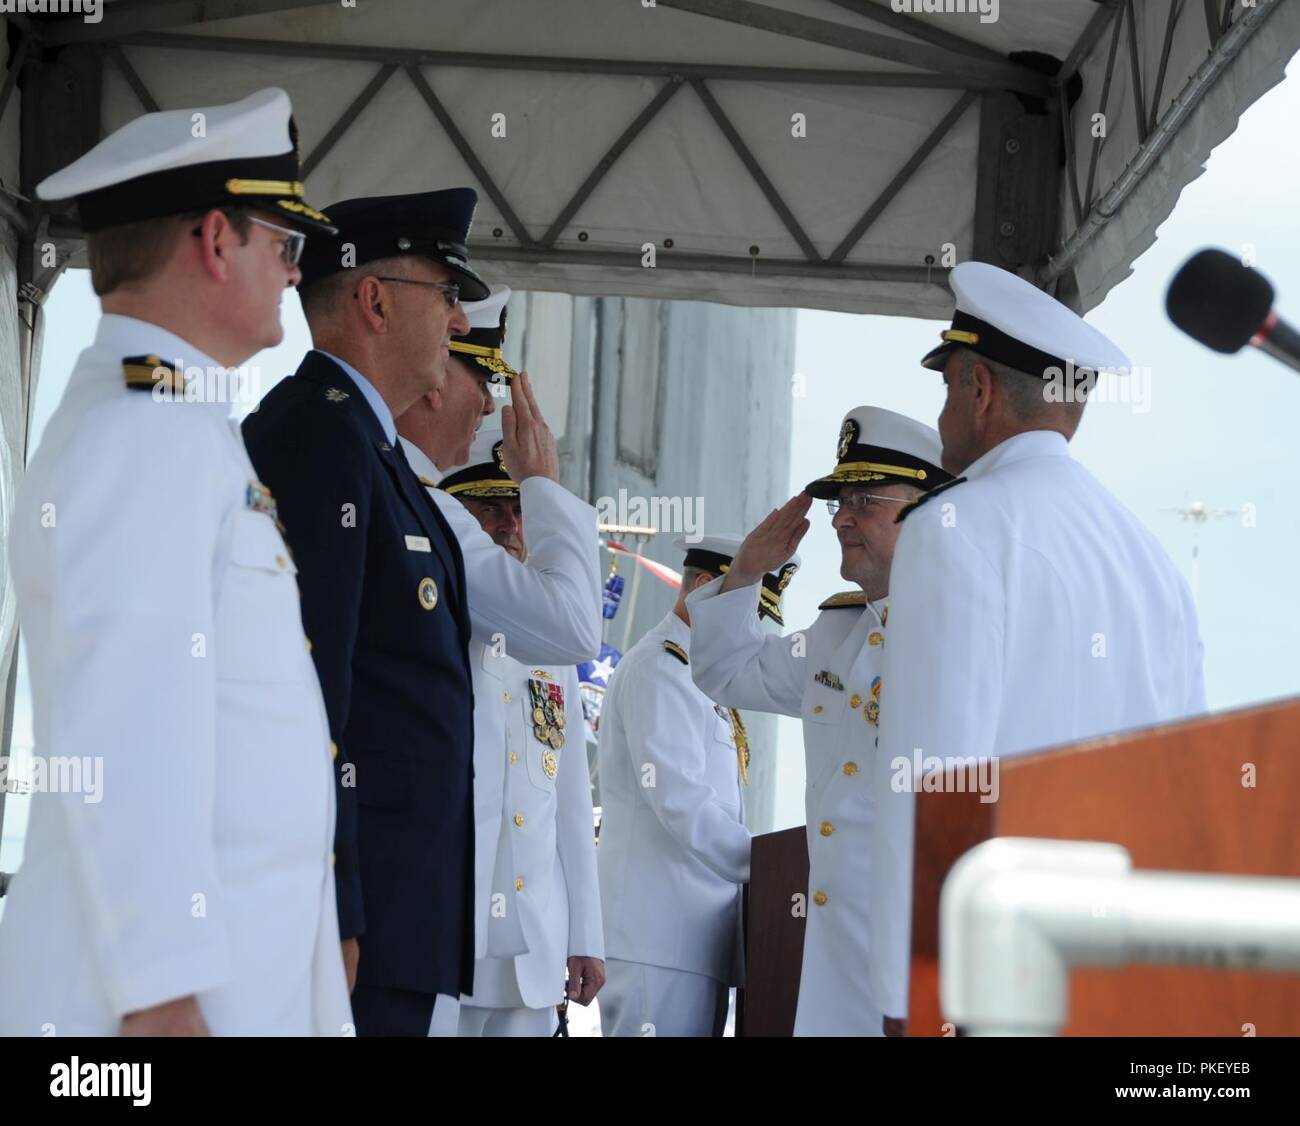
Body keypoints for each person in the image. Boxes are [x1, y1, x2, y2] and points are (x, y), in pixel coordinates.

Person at [0, 88, 351, 1035]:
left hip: (232, 990)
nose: (294, 273)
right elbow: (127, 724)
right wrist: (160, 997)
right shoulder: (139, 434)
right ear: (215, 240)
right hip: (148, 1011)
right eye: (285, 242)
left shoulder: (182, 425)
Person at [869, 260, 1207, 1031]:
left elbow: (932, 779)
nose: (943, 412)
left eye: (947, 385)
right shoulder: (1154, 564)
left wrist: (908, 991)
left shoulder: (954, 529)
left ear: (979, 389)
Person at [243, 188, 488, 1036]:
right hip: (358, 922)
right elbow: (309, 694)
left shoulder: (372, 448)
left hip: (399, 915)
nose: (459, 321)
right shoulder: (318, 436)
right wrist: (336, 903)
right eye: (446, 292)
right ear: (375, 301)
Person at [686, 407, 951, 1035]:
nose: (840, 519)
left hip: (918, 962)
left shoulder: (964, 631)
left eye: (865, 501)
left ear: (928, 510)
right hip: (834, 963)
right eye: (840, 502)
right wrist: (746, 572)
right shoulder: (836, 633)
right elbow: (725, 672)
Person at [431, 433, 605, 1035]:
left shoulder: (550, 641)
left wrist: (586, 935)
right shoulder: (437, 615)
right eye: (490, 509)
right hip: (451, 925)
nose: (509, 525)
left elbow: (572, 799)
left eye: (520, 511)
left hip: (534, 940)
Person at [596, 535, 797, 1037]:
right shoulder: (661, 669)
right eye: (745, 612)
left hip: (693, 938)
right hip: (657, 938)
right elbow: (680, 799)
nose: (750, 630)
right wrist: (766, 865)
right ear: (704, 587)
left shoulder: (700, 676)